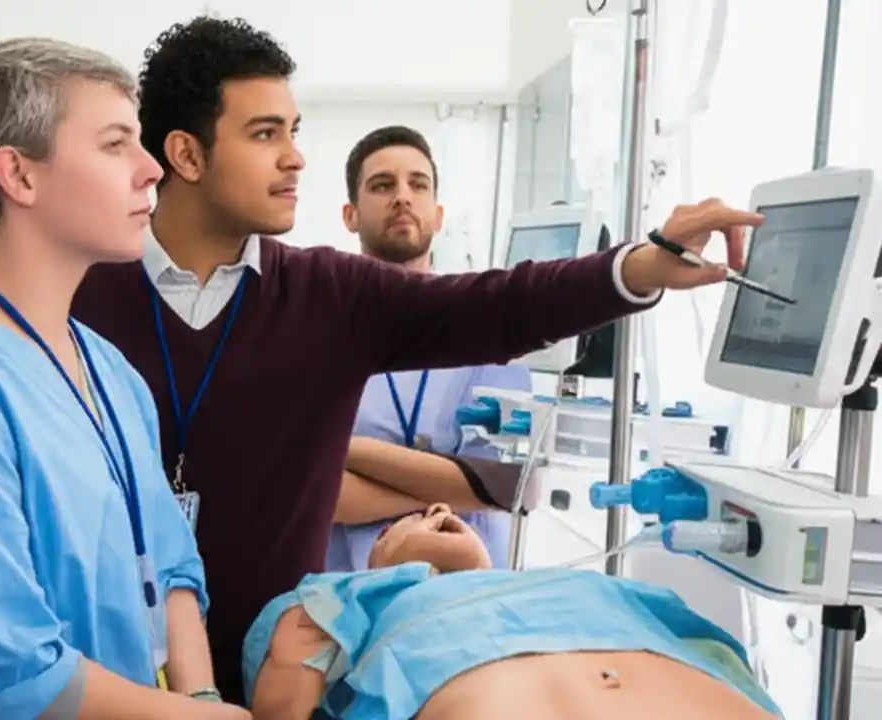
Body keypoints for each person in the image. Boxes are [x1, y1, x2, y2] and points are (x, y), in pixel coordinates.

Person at [70, 15, 764, 701]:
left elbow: (499, 305)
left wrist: (637, 267)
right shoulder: (78, 296)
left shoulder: (331, 297)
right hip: (107, 678)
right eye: (264, 134)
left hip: (284, 678)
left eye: (293, 131)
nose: (295, 157)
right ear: (187, 157)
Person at [0, 39, 250, 719]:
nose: (151, 168)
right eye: (114, 144)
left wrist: (202, 694)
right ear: (19, 175)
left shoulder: (107, 367)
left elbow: (171, 561)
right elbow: (8, 674)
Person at [244, 504, 782, 719]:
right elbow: (282, 705)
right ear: (380, 543)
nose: (439, 511)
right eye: (411, 518)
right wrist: (382, 574)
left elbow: (715, 651)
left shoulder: (591, 586)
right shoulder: (343, 597)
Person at [327, 125, 533, 572]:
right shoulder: (320, 326)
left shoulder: (482, 323)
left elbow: (502, 483)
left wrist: (343, 448)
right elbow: (320, 492)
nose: (402, 196)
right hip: (348, 591)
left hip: (463, 594)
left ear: (438, 215)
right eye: (382, 185)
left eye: (417, 184)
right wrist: (452, 485)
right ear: (350, 215)